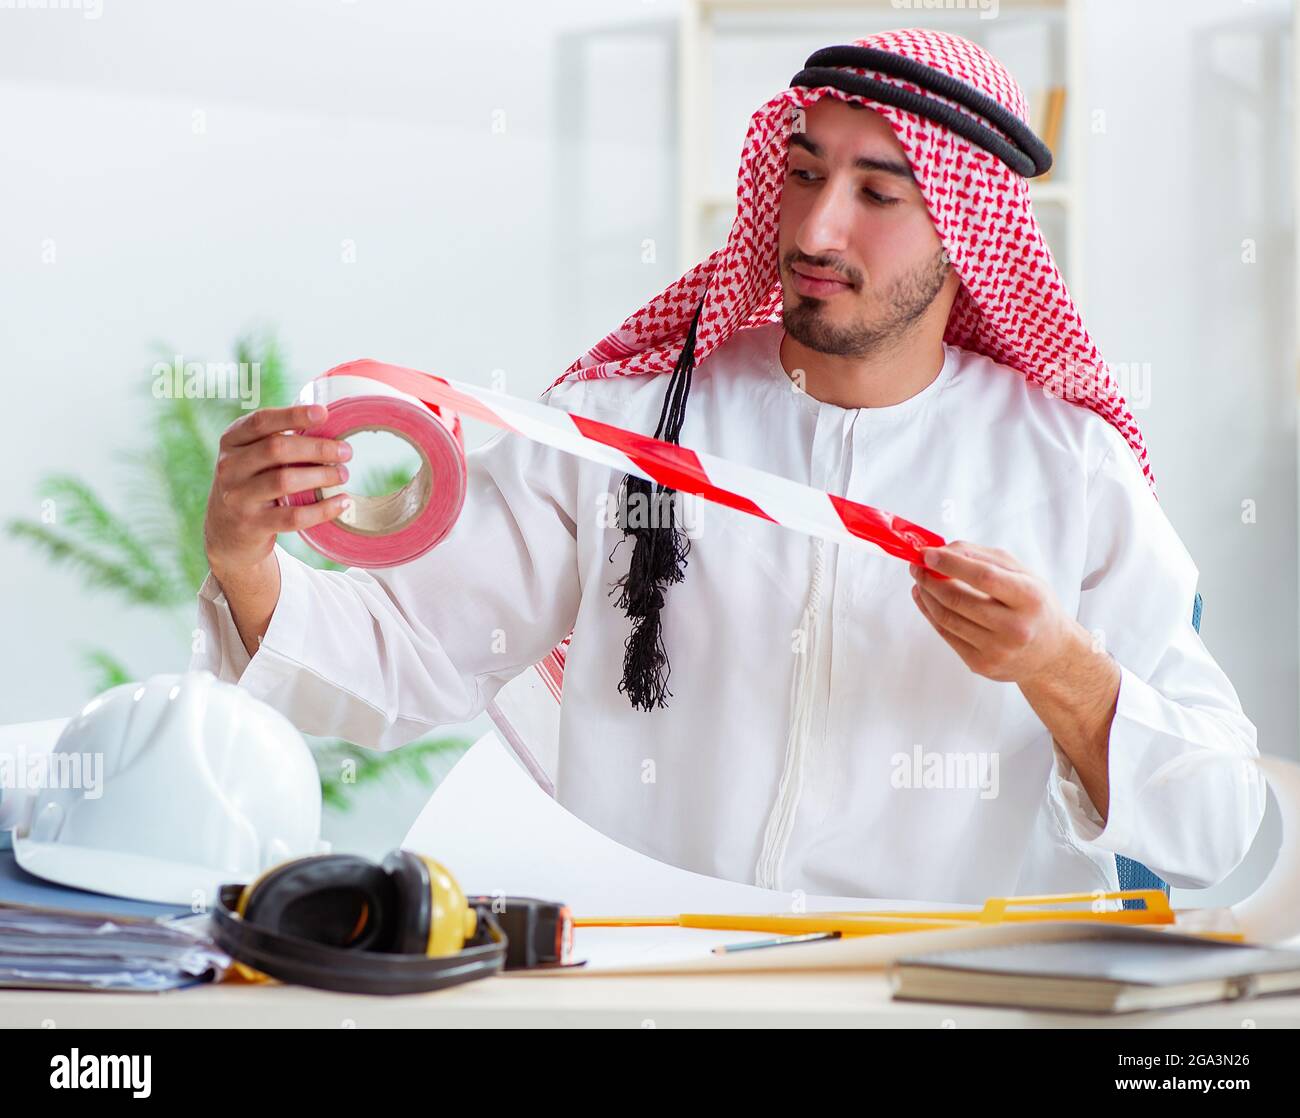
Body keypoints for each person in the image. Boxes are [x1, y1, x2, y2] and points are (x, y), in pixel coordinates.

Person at [193, 28, 1265, 904]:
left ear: (969, 230)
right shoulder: (619, 426)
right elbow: (406, 656)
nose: (815, 223)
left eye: (878, 194)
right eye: (802, 174)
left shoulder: (1069, 471)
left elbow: (1212, 822)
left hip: (944, 996)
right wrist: (247, 558)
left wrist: (1059, 665)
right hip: (653, 985)